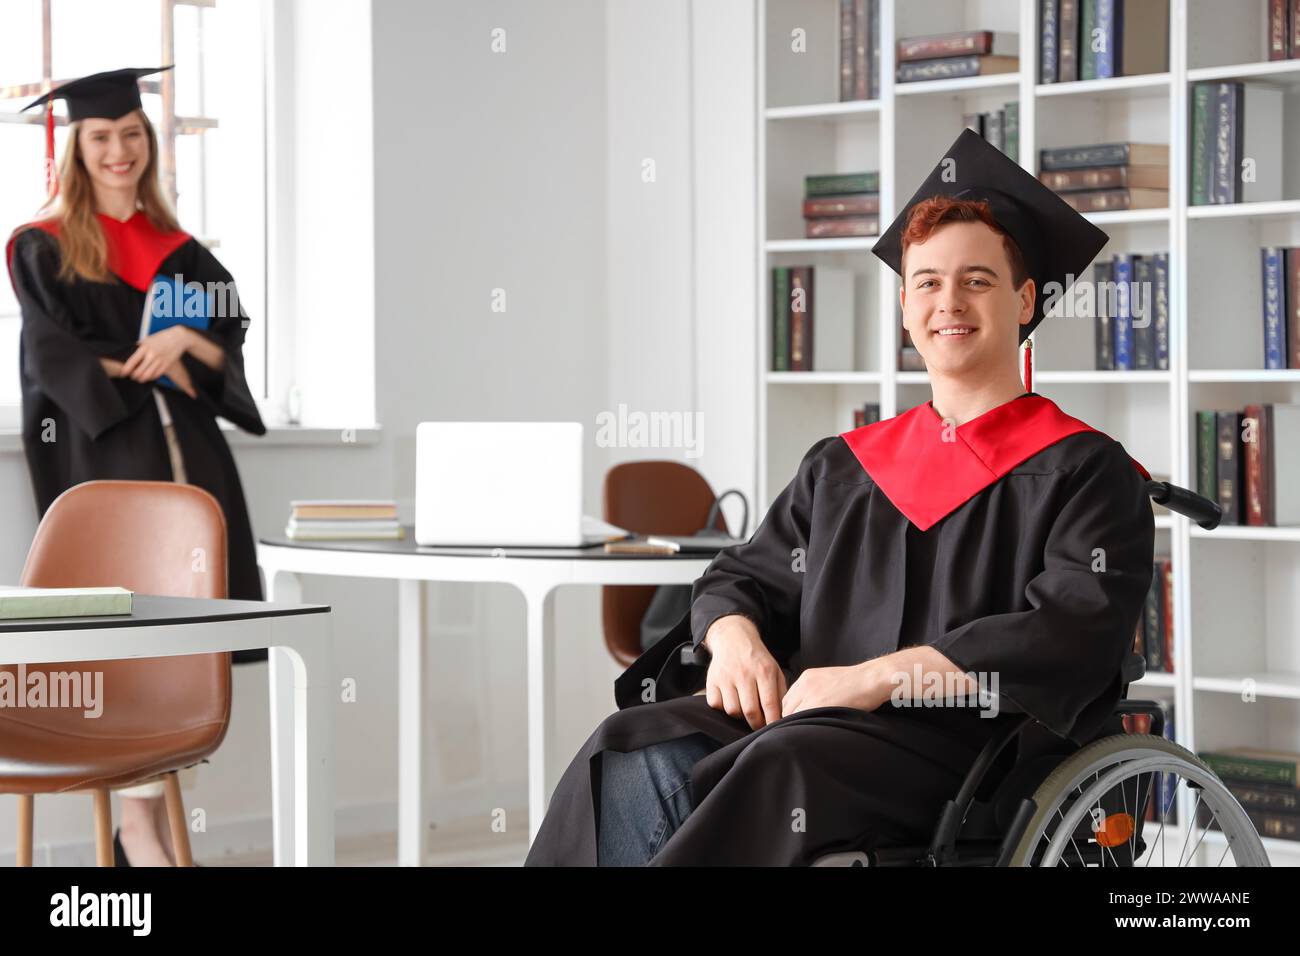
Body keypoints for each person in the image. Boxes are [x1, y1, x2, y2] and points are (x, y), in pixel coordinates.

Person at [526, 128, 1156, 866]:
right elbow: (742, 576)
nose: (948, 301)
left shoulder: (1086, 469)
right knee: (631, 746)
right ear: (904, 306)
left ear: (1024, 300)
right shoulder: (846, 465)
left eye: (976, 280)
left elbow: (1069, 633)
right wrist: (733, 639)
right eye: (927, 282)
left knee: (779, 766)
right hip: (808, 717)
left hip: (965, 752)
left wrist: (872, 678)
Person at [5, 67, 267, 866]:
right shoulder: (44, 246)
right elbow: (50, 356)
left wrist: (183, 343)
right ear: (76, 149)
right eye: (100, 137)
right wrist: (117, 376)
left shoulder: (183, 255)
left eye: (130, 134)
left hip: (194, 467)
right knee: (121, 637)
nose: (118, 150)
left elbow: (224, 345)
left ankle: (141, 822)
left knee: (184, 642)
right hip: (111, 457)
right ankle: (139, 828)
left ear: (147, 144)